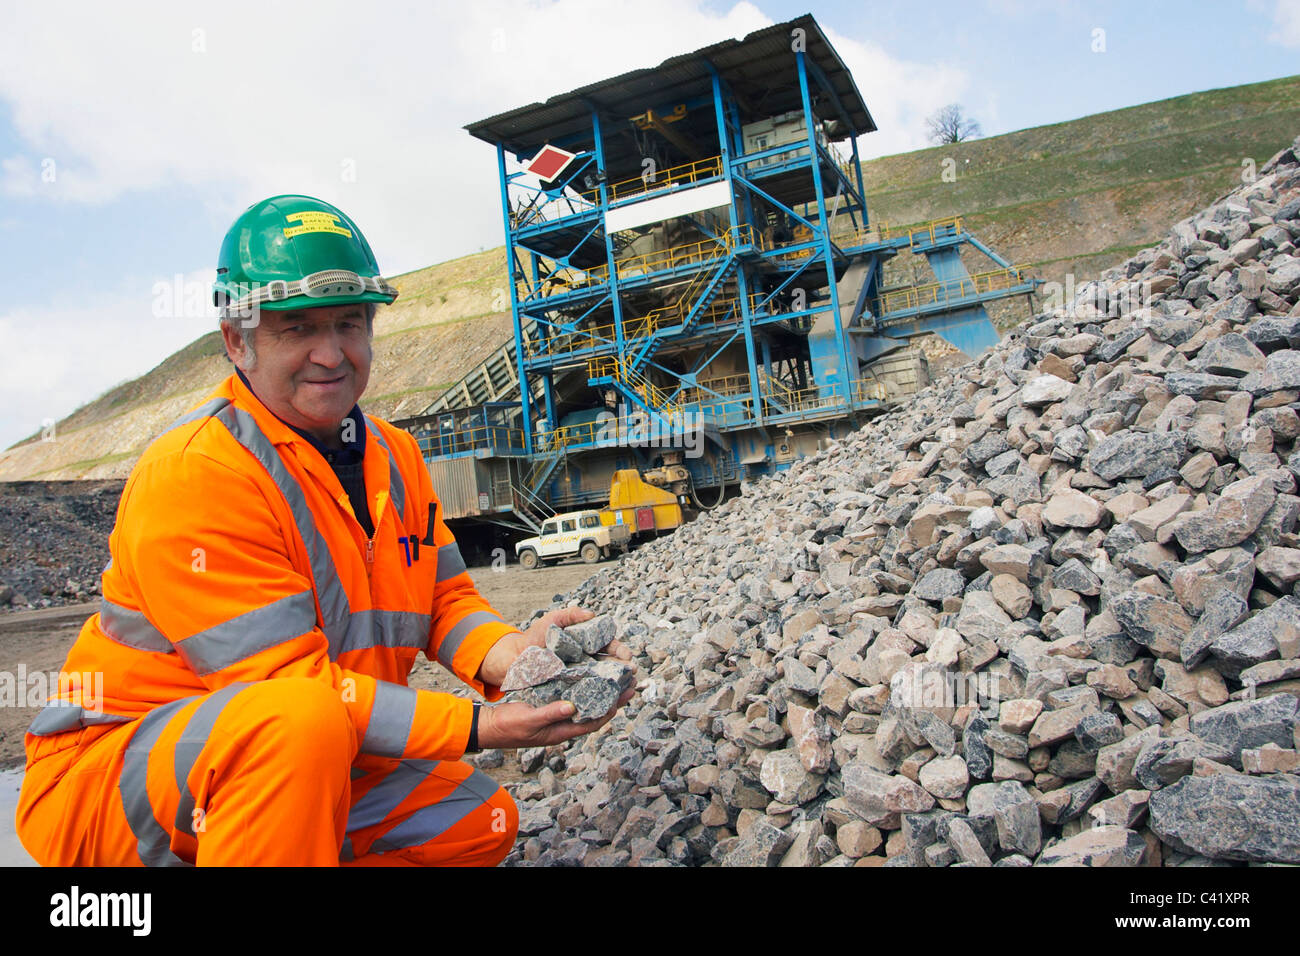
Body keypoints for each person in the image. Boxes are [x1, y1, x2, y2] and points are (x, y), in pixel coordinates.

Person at [15, 195, 633, 866]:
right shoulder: (198, 473)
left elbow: (444, 603)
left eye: (348, 323)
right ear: (236, 340)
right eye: (296, 328)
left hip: (305, 758)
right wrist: (477, 725)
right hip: (117, 783)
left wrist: (510, 657)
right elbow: (293, 690)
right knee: (295, 722)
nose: (330, 353)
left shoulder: (395, 456)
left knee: (475, 822)